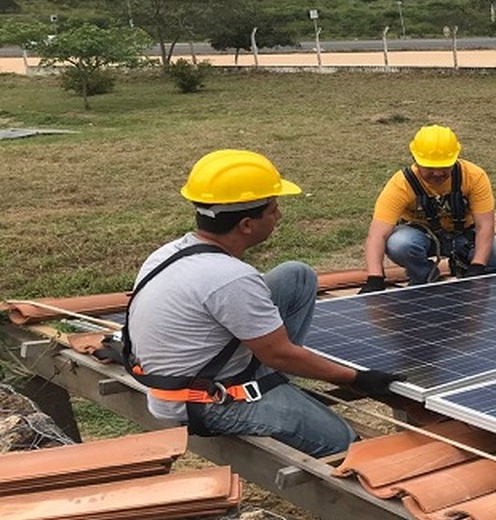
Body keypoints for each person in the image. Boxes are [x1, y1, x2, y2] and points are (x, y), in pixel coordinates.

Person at [123, 149, 402, 457]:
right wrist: (358, 379)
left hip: (184, 379)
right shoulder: (231, 279)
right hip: (207, 401)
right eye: (273, 210)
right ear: (246, 224)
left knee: (297, 276)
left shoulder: (167, 253)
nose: (278, 216)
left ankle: (270, 380)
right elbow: (279, 354)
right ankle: (266, 390)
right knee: (346, 444)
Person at [360, 124, 496, 291]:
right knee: (398, 244)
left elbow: (485, 226)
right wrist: (375, 278)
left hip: (465, 238)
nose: (437, 173)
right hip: (422, 239)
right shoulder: (401, 185)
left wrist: (477, 266)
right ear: (415, 160)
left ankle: (463, 266)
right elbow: (377, 236)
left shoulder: (474, 176)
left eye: (444, 167)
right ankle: (425, 277)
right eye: (430, 167)